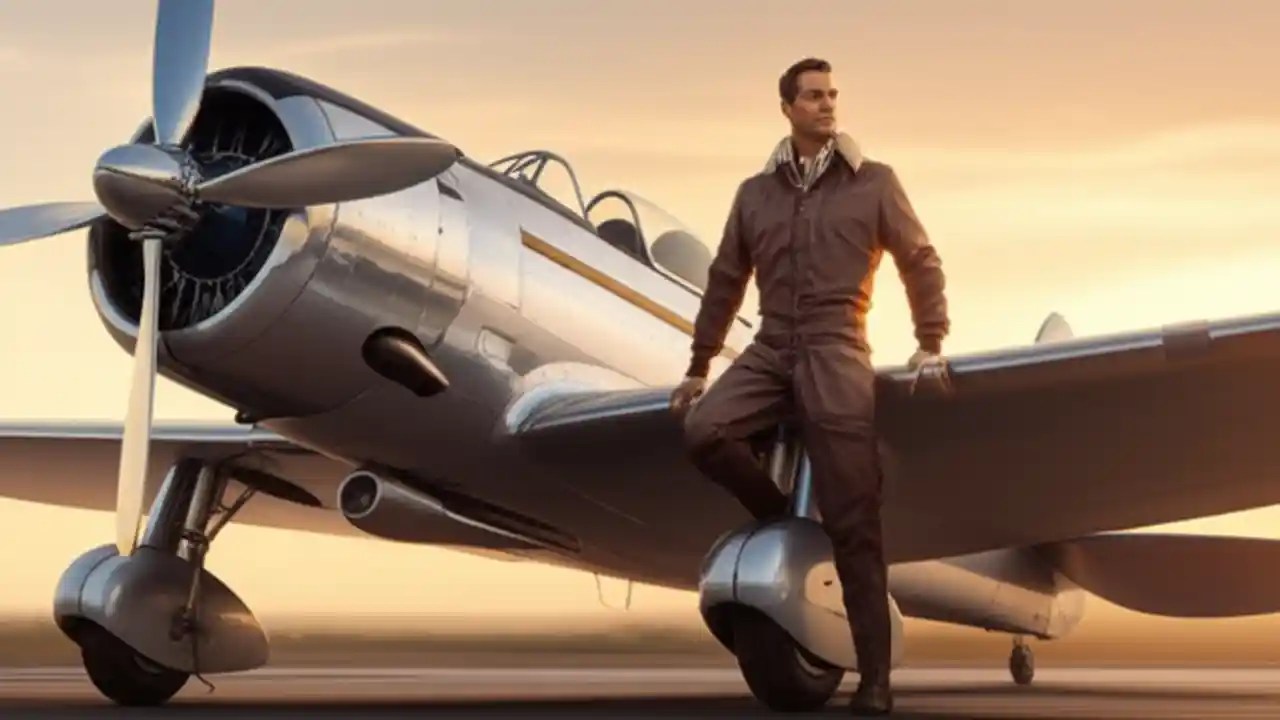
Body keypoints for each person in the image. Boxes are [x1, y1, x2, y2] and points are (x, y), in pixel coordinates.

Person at [670, 57, 949, 716]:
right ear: (788, 108)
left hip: (838, 346)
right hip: (771, 348)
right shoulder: (754, 194)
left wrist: (931, 341)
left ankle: (874, 679)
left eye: (833, 95)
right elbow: (724, 279)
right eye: (815, 97)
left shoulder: (874, 183)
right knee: (703, 429)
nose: (828, 105)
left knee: (855, 523)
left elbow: (919, 258)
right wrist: (699, 363)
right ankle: (775, 517)